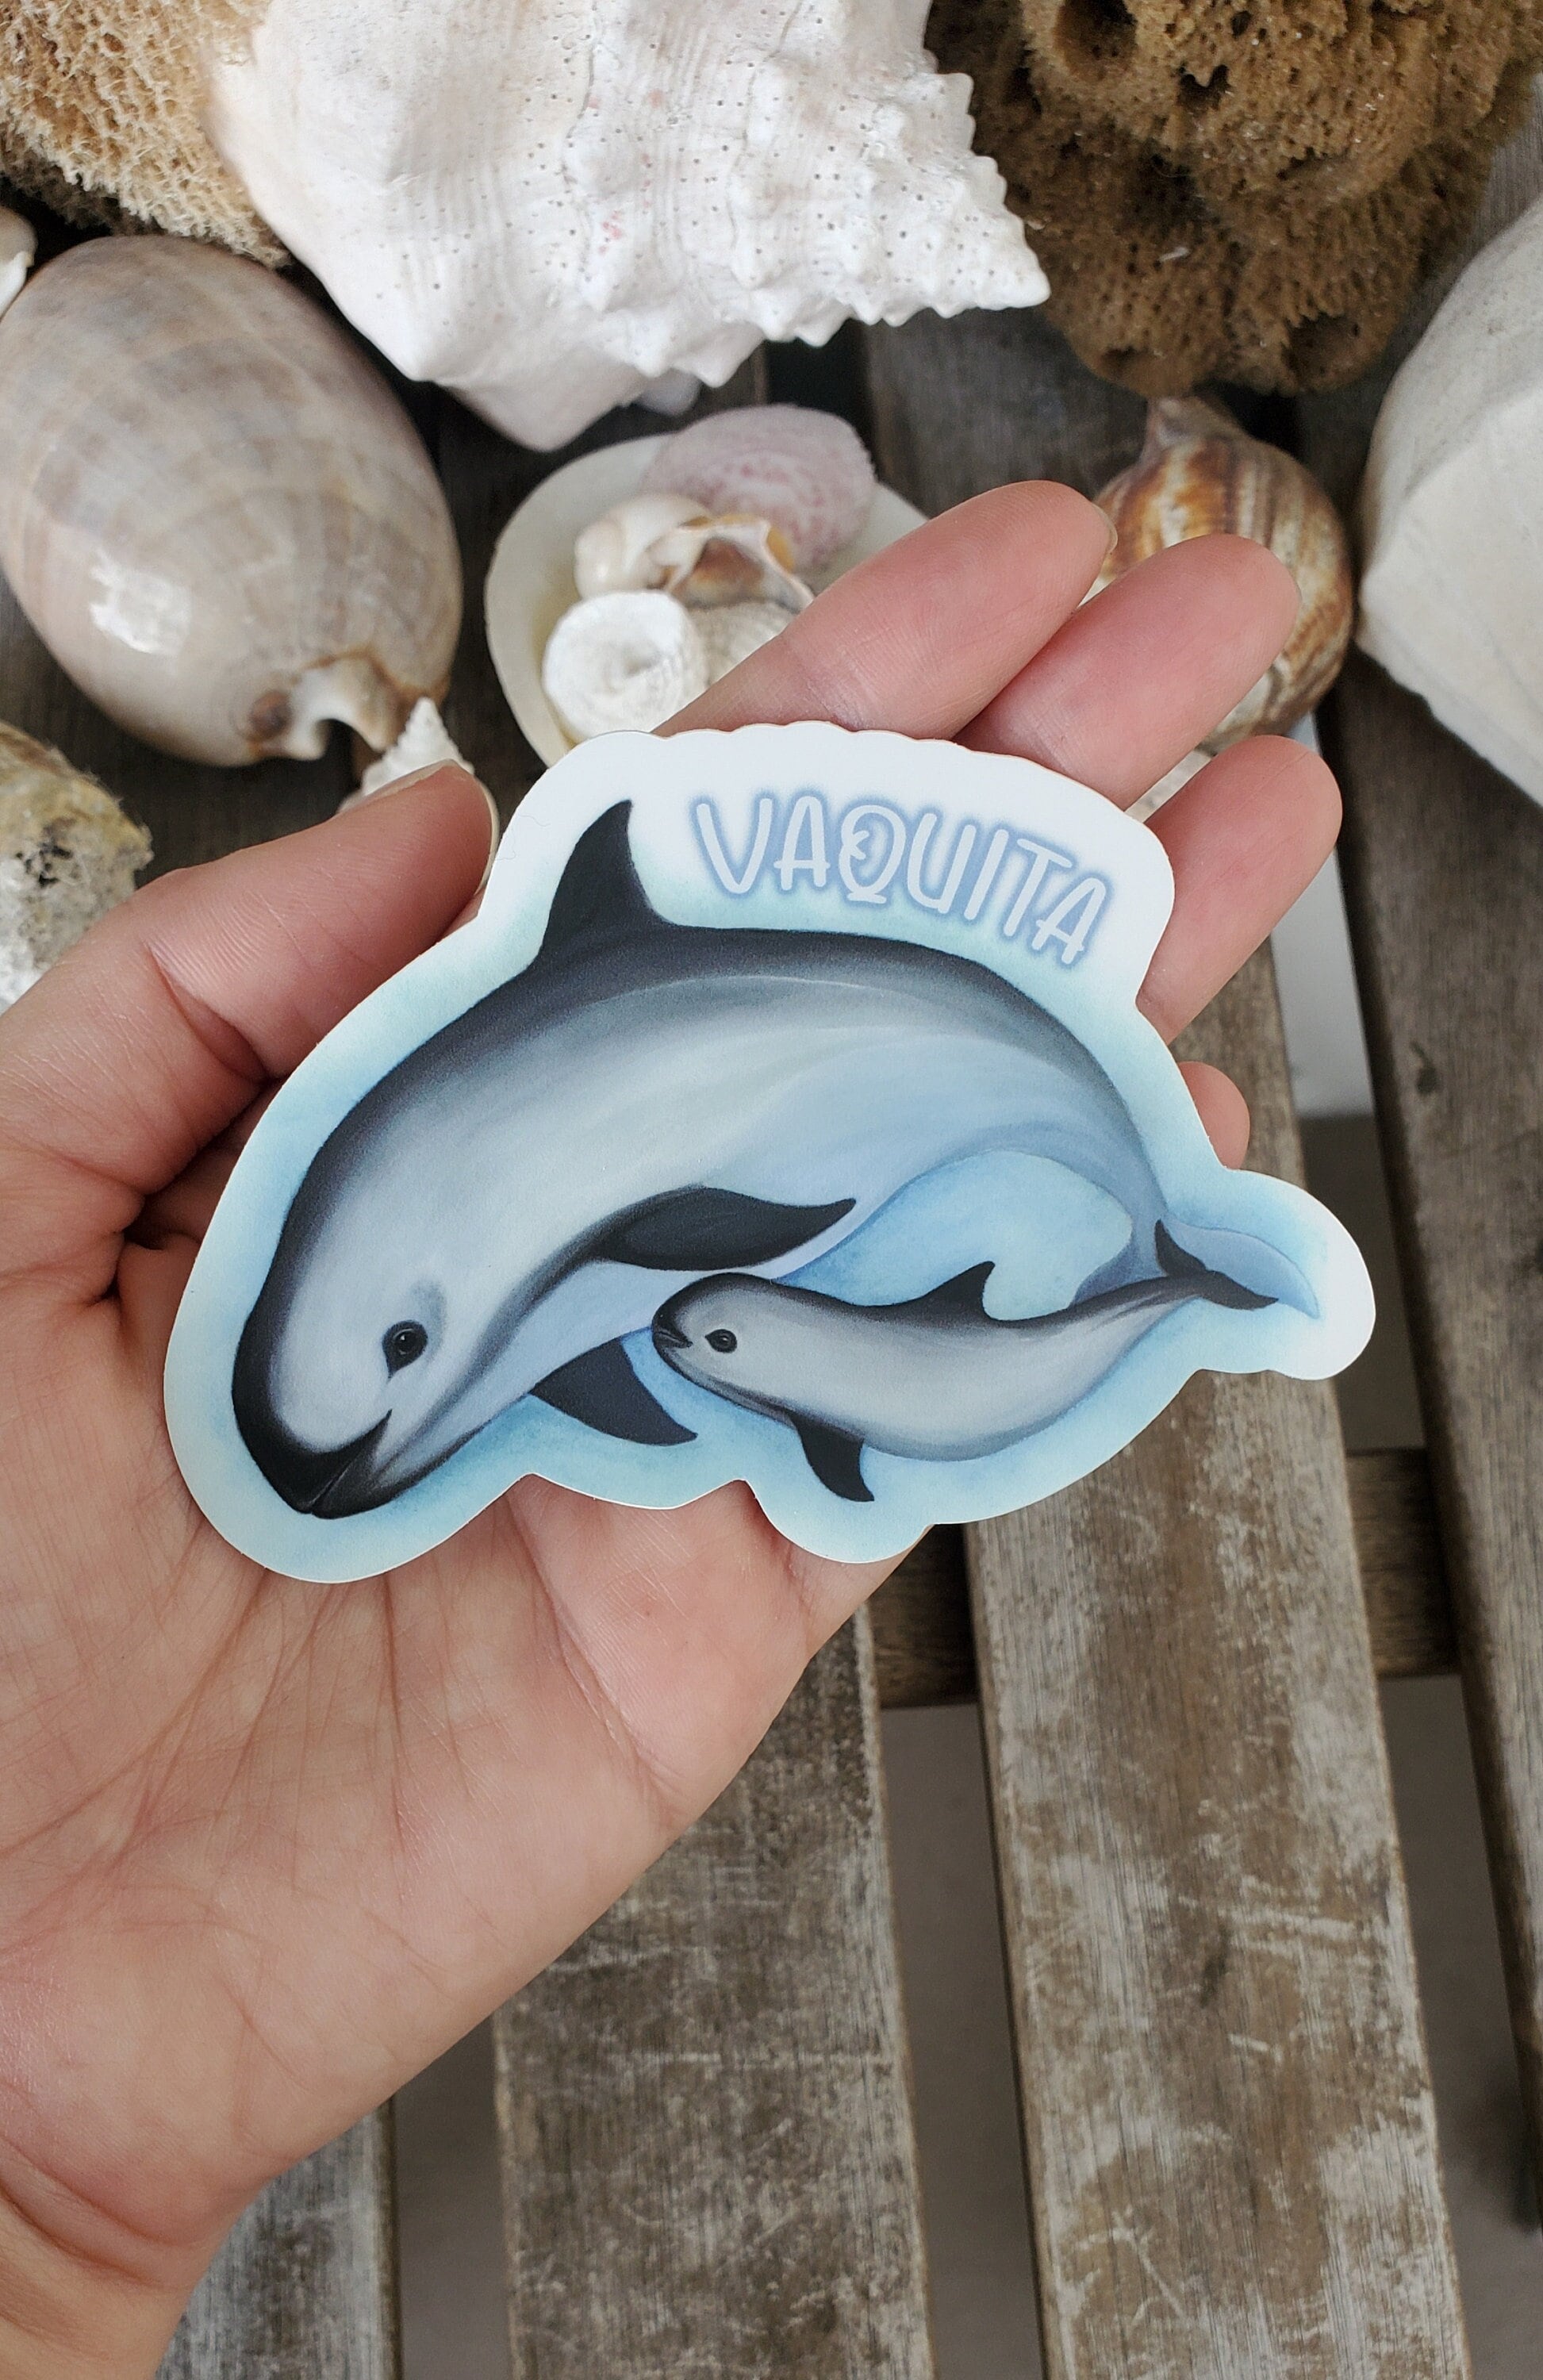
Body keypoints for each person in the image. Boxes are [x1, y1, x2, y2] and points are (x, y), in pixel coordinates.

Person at [0, 482, 1333, 2376]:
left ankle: (1164, 1253)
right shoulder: (442, 1319)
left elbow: (719, 1236)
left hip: (982, 1080)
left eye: (410, 1372)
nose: (407, 1440)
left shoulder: (523, 1261)